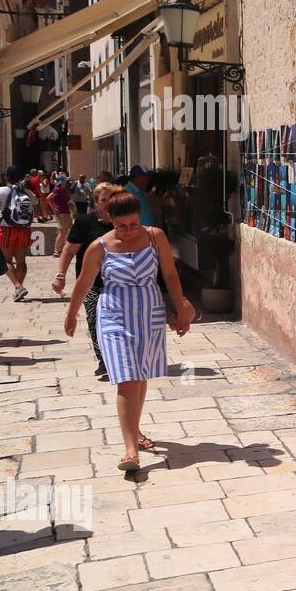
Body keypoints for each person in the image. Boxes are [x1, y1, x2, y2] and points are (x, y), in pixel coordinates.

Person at [64, 190, 194, 470]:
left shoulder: (155, 236)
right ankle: (130, 450)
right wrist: (71, 314)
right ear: (109, 219)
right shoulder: (99, 247)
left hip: (149, 313)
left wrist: (181, 307)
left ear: (140, 218)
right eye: (121, 225)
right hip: (113, 314)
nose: (128, 229)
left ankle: (135, 432)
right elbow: (84, 282)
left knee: (141, 373)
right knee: (126, 378)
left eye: (133, 223)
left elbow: (170, 274)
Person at [54, 182, 118, 379]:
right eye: (103, 200)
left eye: (111, 199)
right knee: (95, 319)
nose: (107, 204)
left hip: (118, 283)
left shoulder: (123, 220)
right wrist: (60, 275)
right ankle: (104, 361)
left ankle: (117, 358)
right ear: (96, 202)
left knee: (116, 323)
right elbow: (69, 250)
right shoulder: (84, 222)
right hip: (92, 282)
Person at [0, 166, 36, 302]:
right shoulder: (27, 192)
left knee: (6, 260)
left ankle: (18, 286)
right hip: (24, 229)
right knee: (21, 260)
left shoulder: (1, 190)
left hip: (6, 229)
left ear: (6, 177)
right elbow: (37, 208)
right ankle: (18, 289)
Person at [46, 177, 74, 258]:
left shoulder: (63, 190)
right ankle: (56, 251)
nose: (67, 183)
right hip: (61, 212)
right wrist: (53, 209)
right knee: (62, 232)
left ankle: (60, 250)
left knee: (64, 232)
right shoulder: (57, 189)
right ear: (62, 182)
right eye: (65, 182)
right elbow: (48, 198)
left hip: (65, 212)